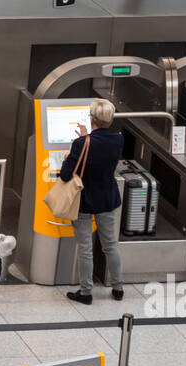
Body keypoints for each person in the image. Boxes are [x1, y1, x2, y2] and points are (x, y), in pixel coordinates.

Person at [59, 99, 125, 305]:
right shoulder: (118, 140)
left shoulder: (81, 143)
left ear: (92, 119)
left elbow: (65, 175)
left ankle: (86, 292)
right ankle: (118, 287)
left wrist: (69, 155)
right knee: (110, 245)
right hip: (107, 198)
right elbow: (101, 153)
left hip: (84, 200)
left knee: (85, 247)